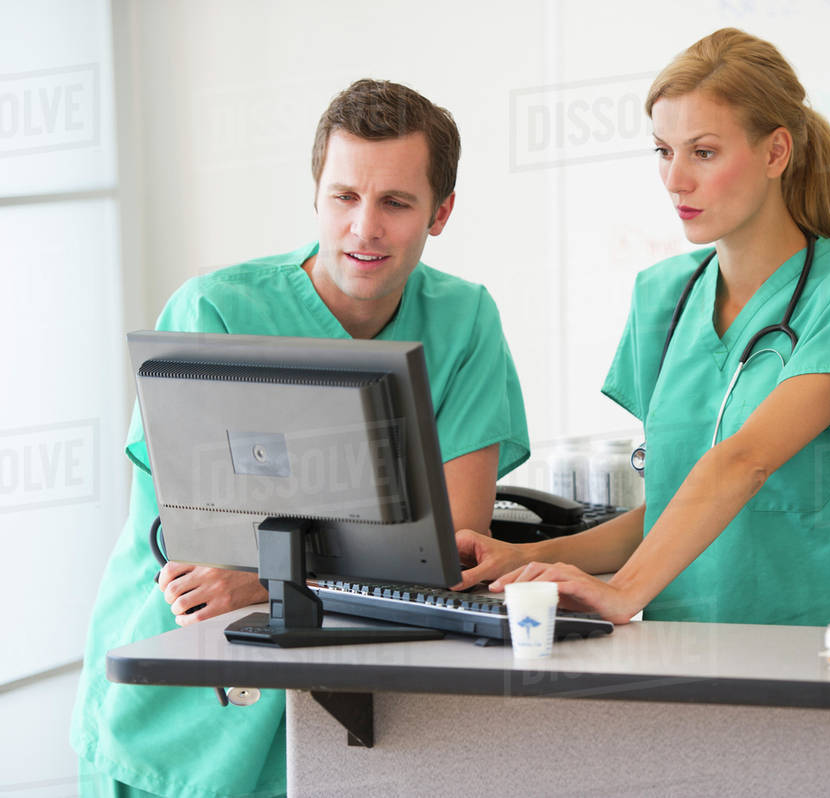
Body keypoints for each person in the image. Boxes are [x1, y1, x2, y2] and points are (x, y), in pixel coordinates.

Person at [71, 79, 529, 798]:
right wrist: (337, 561)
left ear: (440, 213)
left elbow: (454, 541)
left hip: (347, 700)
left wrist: (274, 572)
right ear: (317, 194)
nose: (364, 229)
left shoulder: (465, 320)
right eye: (344, 197)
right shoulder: (216, 311)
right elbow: (202, 548)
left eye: (396, 203)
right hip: (185, 697)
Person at [455, 29, 830, 627]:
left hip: (819, 649)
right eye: (663, 151)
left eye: (702, 152)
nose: (676, 180)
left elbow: (744, 460)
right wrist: (525, 556)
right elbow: (669, 511)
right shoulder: (660, 297)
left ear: (777, 153)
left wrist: (623, 592)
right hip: (681, 652)